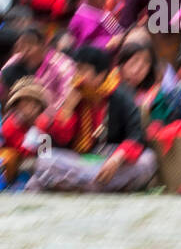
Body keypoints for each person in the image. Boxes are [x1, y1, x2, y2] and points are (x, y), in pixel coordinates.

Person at [26, 45, 157, 192]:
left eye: (83, 70)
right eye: (77, 69)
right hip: (78, 161)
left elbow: (136, 136)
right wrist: (67, 110)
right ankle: (98, 186)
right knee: (45, 161)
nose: (77, 76)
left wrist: (116, 159)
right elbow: (59, 141)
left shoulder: (121, 97)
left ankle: (78, 185)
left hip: (110, 159)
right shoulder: (74, 95)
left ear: (100, 75)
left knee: (148, 160)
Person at [0, 77, 50, 187]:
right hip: (14, 170)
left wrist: (39, 129)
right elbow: (24, 153)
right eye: (25, 103)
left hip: (37, 171)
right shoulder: (10, 125)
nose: (31, 108)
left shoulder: (42, 125)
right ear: (16, 106)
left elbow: (46, 155)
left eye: (34, 104)